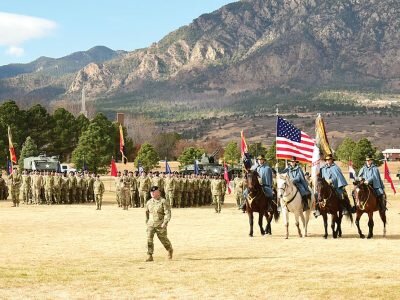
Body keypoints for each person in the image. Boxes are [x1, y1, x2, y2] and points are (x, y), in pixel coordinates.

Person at [145, 186, 173, 262]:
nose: (152, 193)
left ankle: (169, 250)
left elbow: (168, 213)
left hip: (160, 224)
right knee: (149, 240)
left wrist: (165, 222)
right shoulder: (149, 202)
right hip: (151, 224)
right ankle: (149, 255)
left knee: (163, 240)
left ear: (158, 192)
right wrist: (147, 222)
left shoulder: (163, 201)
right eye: (151, 192)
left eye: (154, 192)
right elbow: (147, 213)